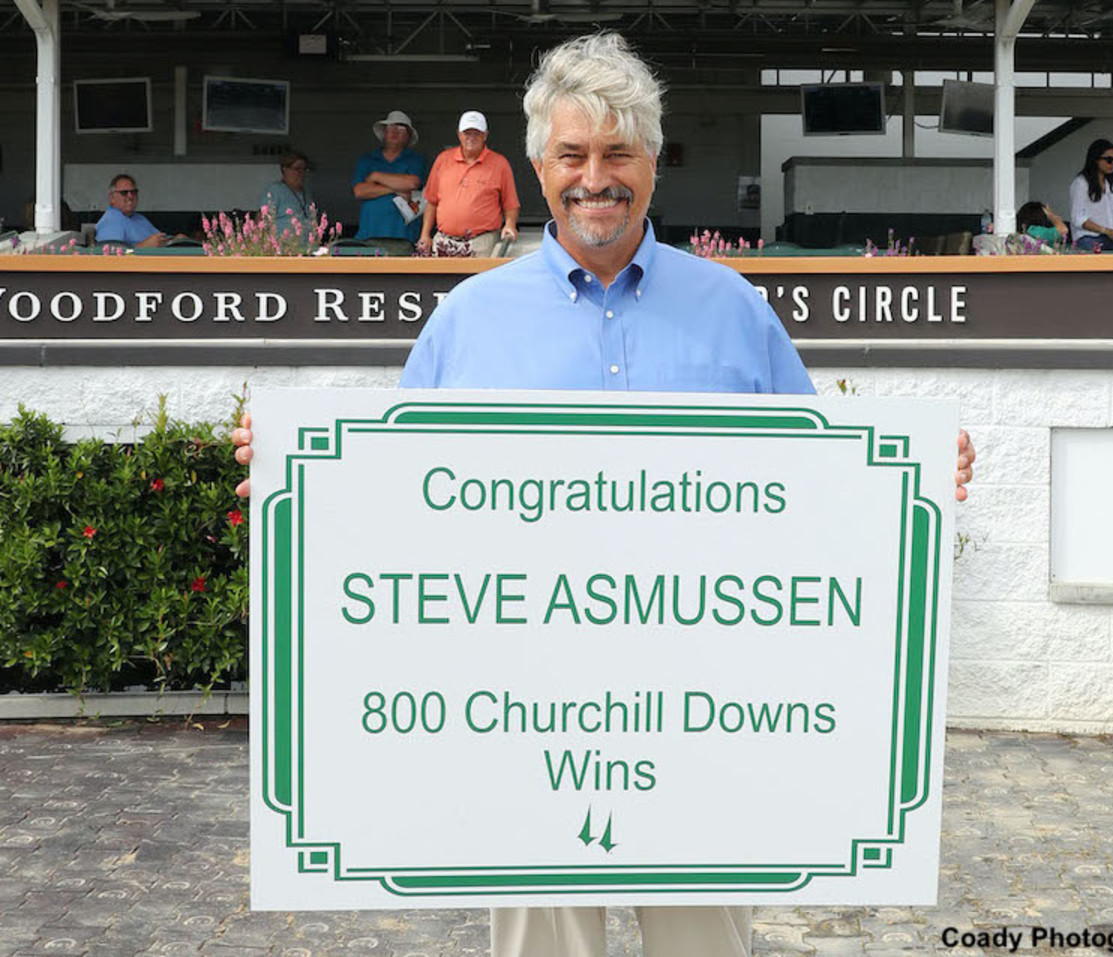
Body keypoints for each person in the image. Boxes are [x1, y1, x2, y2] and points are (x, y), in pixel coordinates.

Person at [233, 32, 975, 957]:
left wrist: (917, 480)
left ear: (653, 164)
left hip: (706, 725)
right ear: (537, 166)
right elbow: (391, 512)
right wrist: (292, 473)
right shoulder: (469, 320)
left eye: (619, 153)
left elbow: (821, 495)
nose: (597, 177)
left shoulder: (736, 310)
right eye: (574, 154)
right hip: (526, 727)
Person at [416, 110, 520, 257]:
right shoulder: (443, 160)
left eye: (476, 133)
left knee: (479, 280)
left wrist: (510, 224)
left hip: (482, 242)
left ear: (485, 135)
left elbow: (511, 204)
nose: (471, 137)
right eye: (467, 133)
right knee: (441, 281)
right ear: (459, 135)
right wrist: (425, 235)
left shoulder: (500, 164)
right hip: (444, 240)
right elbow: (431, 201)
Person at [352, 110, 426, 242]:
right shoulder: (367, 159)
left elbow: (412, 183)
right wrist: (395, 189)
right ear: (384, 133)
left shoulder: (415, 159)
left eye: (401, 129)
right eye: (390, 127)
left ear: (408, 136)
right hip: (370, 232)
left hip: (403, 234)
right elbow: (359, 191)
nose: (394, 131)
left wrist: (375, 177)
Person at [1069, 139, 1113, 251]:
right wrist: (1105, 230)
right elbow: (1077, 218)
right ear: (1095, 159)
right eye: (1109, 160)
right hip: (1088, 237)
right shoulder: (1081, 183)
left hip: (1112, 239)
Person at [95, 174, 174, 247]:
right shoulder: (110, 221)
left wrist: (175, 240)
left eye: (133, 192)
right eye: (124, 193)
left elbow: (160, 239)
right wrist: (144, 246)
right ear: (112, 198)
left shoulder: (140, 218)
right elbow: (111, 257)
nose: (130, 196)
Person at [259, 150, 315, 235]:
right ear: (285, 169)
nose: (301, 173)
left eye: (304, 169)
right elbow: (262, 220)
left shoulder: (306, 193)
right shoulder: (276, 190)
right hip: (284, 246)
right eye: (297, 169)